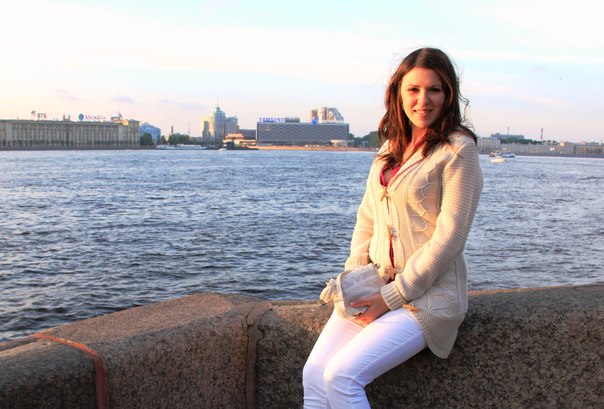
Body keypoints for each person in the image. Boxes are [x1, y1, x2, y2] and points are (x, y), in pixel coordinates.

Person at [302, 47, 483, 408]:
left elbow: (449, 238)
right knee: (315, 373)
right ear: (398, 93)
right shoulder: (390, 148)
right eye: (413, 89)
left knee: (342, 377)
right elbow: (367, 217)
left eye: (434, 89)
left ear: (448, 94)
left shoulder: (458, 151)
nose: (423, 100)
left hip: (427, 298)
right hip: (377, 285)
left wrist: (392, 297)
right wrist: (356, 277)